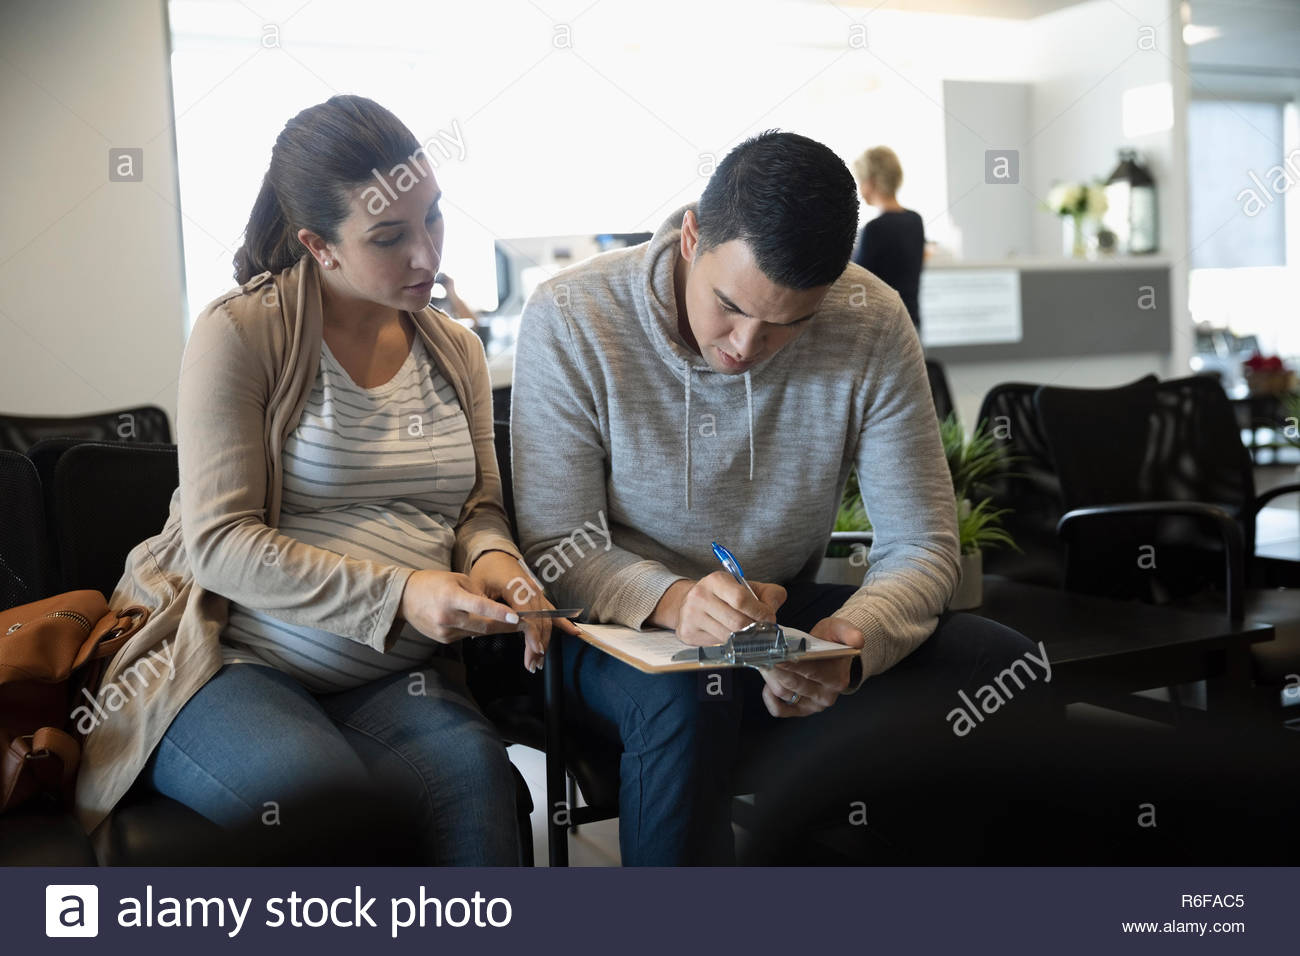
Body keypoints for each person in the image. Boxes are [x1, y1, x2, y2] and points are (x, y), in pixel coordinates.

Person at [511, 131, 1039, 865]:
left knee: (1006, 666)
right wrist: (674, 601)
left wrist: (851, 643)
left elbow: (922, 541)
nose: (745, 345)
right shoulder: (573, 315)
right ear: (693, 235)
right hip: (610, 631)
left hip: (774, 619)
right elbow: (556, 545)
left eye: (789, 324)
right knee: (692, 696)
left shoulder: (871, 319)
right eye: (729, 306)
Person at [73, 95, 571, 864]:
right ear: (319, 244)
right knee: (328, 812)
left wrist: (497, 567)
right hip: (232, 664)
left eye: (433, 218)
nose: (427, 257)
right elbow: (220, 545)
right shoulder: (242, 332)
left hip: (392, 680)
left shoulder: (455, 350)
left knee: (477, 788)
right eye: (389, 237)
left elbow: (476, 506)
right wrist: (402, 593)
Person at [851, 146, 925, 330]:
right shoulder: (915, 220)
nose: (860, 189)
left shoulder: (874, 229)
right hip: (912, 323)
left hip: (884, 328)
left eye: (861, 181)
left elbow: (856, 280)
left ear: (871, 181)